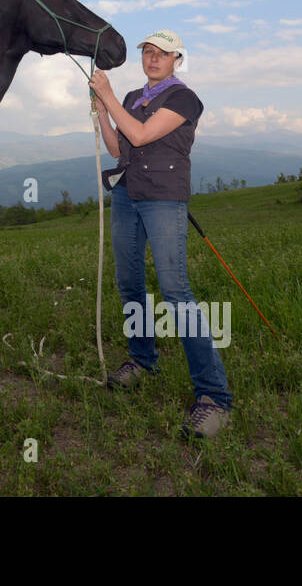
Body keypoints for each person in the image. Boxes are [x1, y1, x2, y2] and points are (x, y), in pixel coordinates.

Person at [88, 29, 232, 439]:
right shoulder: (134, 97)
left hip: (164, 201)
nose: (153, 59)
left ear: (177, 60)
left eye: (162, 54)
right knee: (129, 283)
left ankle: (214, 397)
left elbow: (142, 135)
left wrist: (109, 95)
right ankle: (142, 359)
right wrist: (103, 108)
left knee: (175, 291)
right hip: (127, 196)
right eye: (148, 52)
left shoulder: (185, 98)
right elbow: (120, 148)